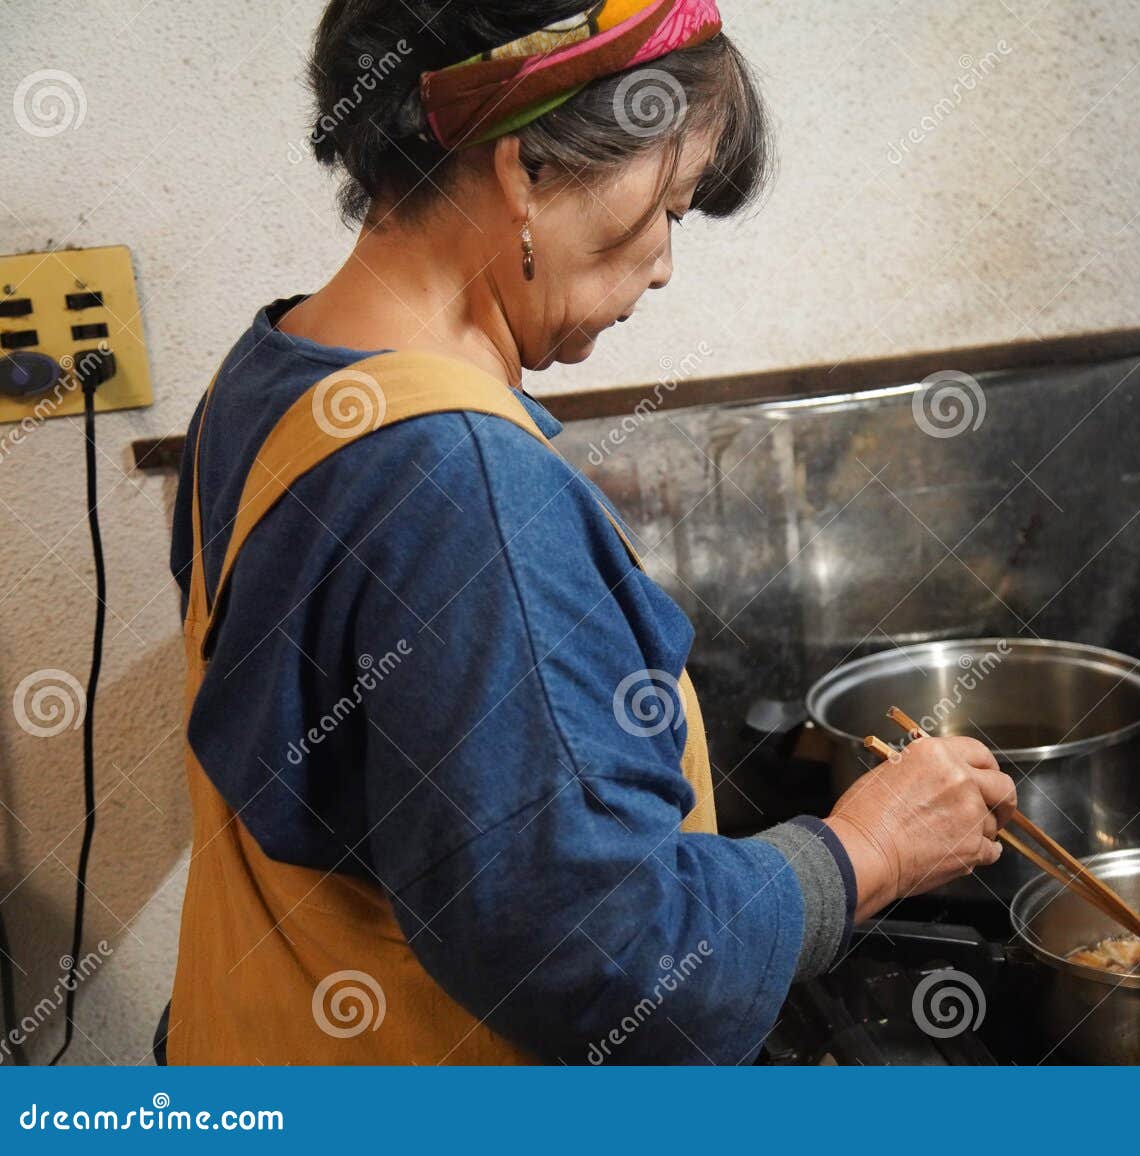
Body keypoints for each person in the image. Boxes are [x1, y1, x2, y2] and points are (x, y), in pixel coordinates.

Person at [164, 0, 1015, 1065]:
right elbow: (607, 962)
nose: (662, 262)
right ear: (522, 169)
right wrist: (866, 852)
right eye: (668, 202)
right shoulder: (468, 487)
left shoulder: (276, 377)